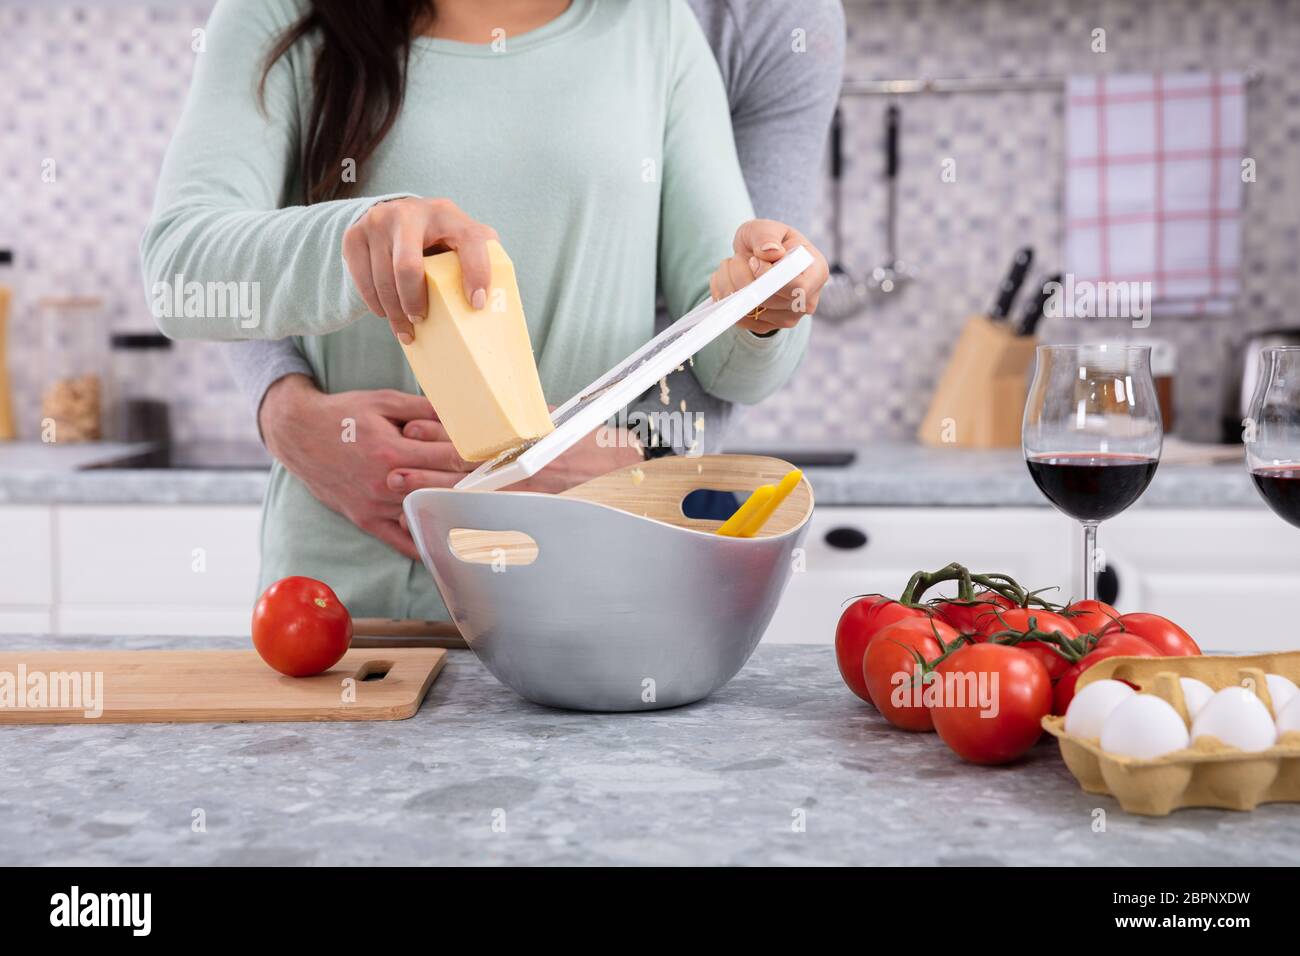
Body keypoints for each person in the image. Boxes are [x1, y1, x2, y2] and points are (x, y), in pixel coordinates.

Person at [142, 0, 836, 618]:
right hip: (346, 615)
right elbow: (179, 269)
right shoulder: (278, 15)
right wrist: (354, 242)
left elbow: (735, 365)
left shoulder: (654, 27)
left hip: (586, 603)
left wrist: (760, 308)